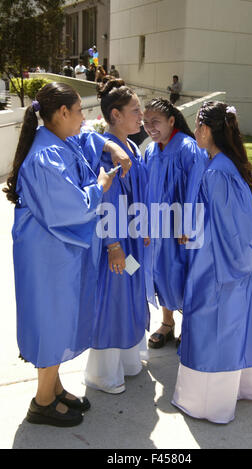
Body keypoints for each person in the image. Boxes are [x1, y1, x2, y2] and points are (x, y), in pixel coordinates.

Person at [2, 82, 132, 427]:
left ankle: (55, 387)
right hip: (46, 255)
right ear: (61, 113)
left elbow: (87, 137)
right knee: (51, 319)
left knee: (61, 317)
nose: (83, 118)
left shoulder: (59, 141)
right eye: (78, 111)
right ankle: (42, 401)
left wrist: (112, 147)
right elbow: (69, 208)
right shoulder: (45, 155)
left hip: (59, 252)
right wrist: (100, 186)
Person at [172, 101, 252, 424]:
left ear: (206, 131)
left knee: (213, 330)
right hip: (234, 264)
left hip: (220, 269)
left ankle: (209, 405)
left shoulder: (218, 172)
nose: (195, 132)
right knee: (236, 329)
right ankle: (242, 388)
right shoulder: (230, 165)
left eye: (198, 127)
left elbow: (231, 232)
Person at [83, 79, 150, 394]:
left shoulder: (132, 147)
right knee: (112, 300)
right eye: (135, 110)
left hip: (133, 241)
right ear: (115, 114)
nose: (141, 116)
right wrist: (113, 246)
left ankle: (128, 360)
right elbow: (106, 203)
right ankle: (103, 373)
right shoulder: (107, 154)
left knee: (131, 295)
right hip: (116, 244)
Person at [143, 98, 208, 349]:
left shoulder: (188, 148)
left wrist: (189, 225)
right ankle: (167, 323)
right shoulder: (150, 149)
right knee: (160, 273)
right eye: (146, 122)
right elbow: (146, 191)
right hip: (157, 228)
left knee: (183, 273)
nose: (150, 127)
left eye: (155, 122)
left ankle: (188, 325)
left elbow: (196, 188)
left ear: (171, 121)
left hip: (180, 230)